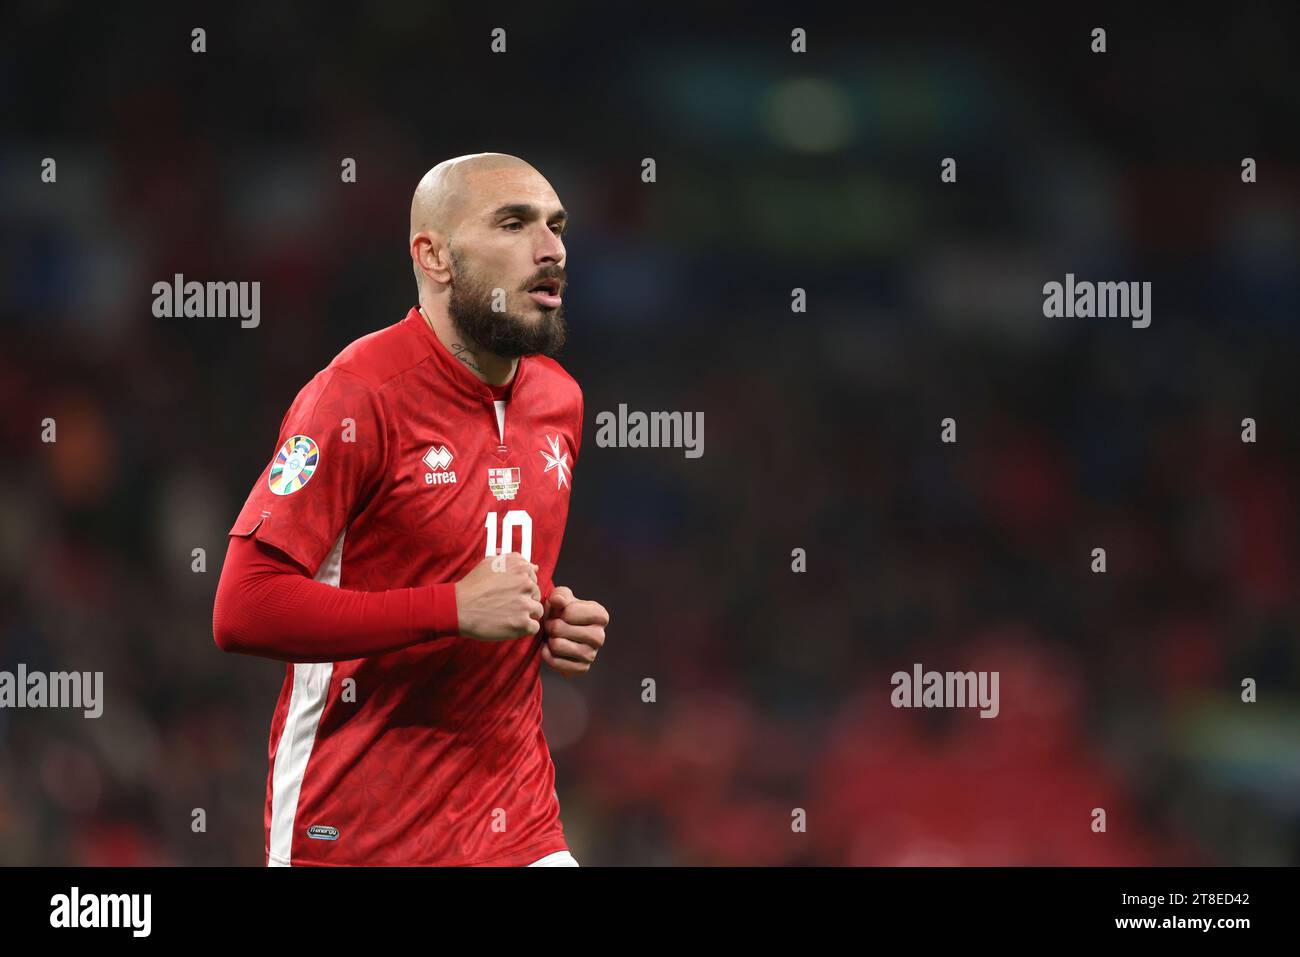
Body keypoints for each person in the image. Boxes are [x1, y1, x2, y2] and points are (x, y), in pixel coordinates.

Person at [212, 153, 609, 867]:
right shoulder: (355, 395)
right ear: (434, 256)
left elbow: (478, 567)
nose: (551, 249)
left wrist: (550, 613)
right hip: (357, 832)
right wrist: (450, 607)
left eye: (556, 226)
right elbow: (242, 609)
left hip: (515, 827)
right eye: (513, 224)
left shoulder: (560, 403)